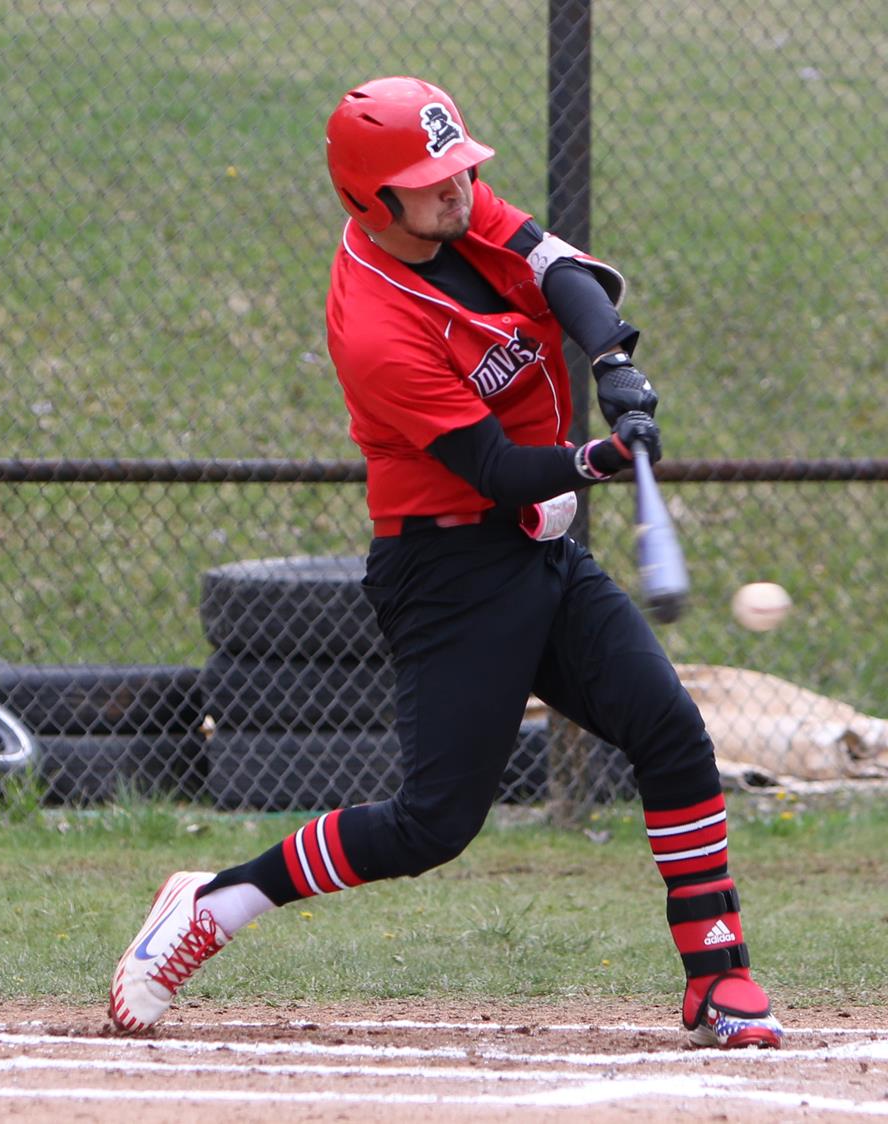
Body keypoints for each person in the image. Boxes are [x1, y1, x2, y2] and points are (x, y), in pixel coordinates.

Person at [108, 76, 781, 1049]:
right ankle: (214, 904)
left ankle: (718, 976)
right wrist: (602, 455)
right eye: (430, 181)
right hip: (449, 571)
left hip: (539, 549)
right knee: (430, 824)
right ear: (370, 200)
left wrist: (612, 362)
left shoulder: (457, 216)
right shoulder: (375, 328)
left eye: (459, 166)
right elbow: (496, 469)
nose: (457, 187)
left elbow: (558, 271)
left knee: (669, 730)